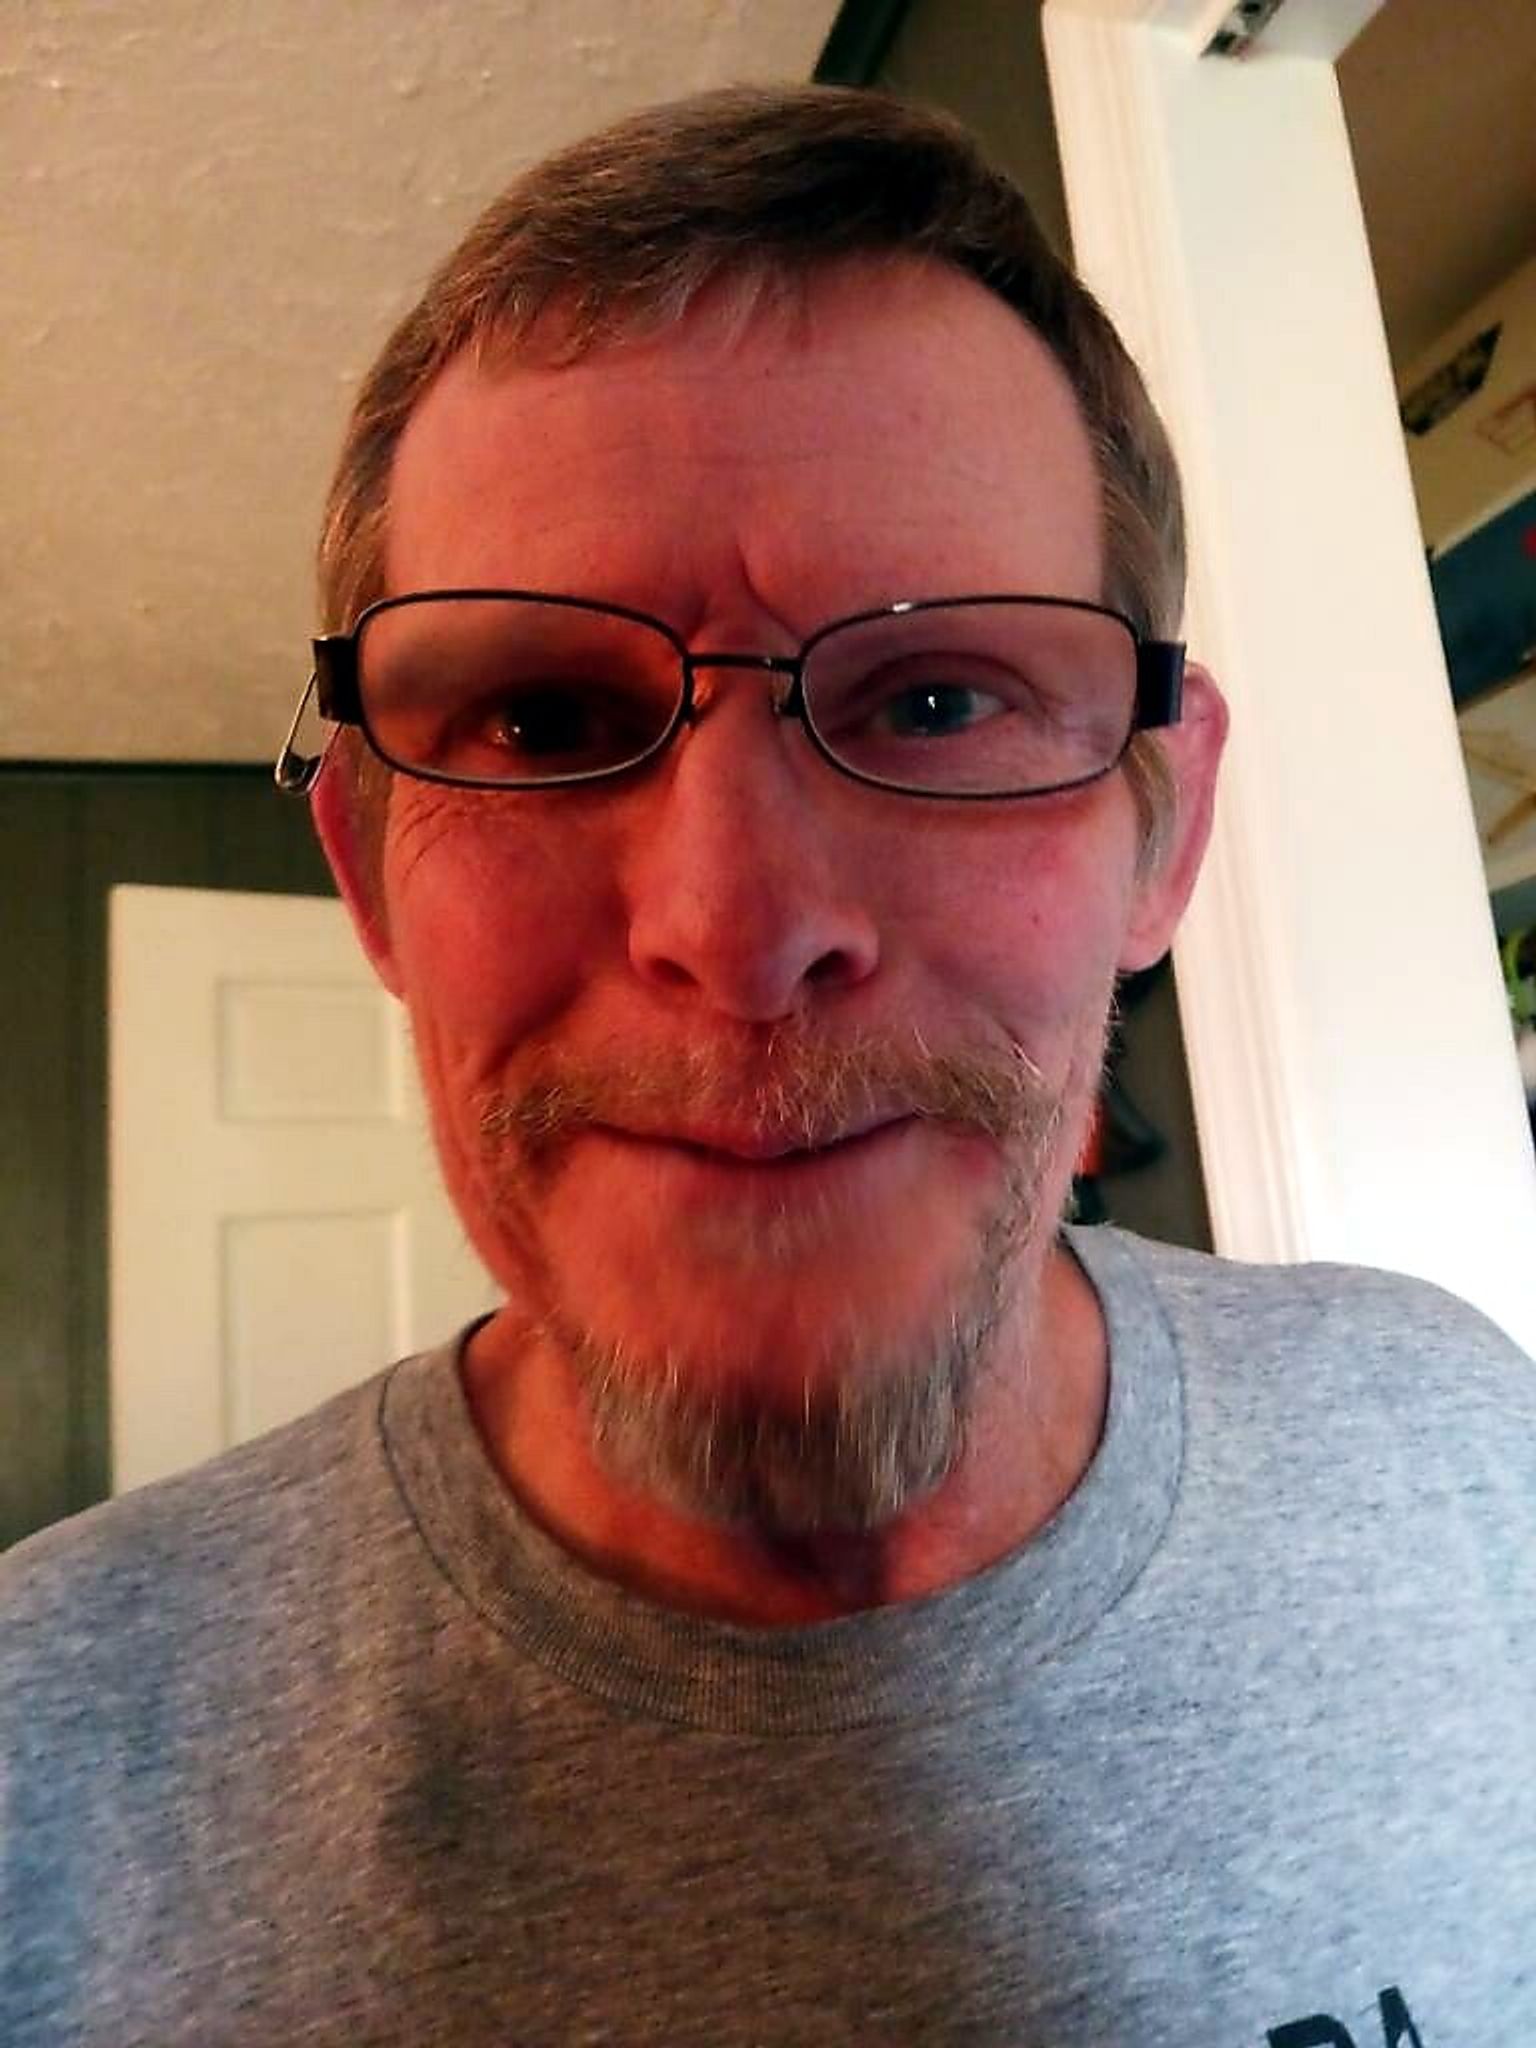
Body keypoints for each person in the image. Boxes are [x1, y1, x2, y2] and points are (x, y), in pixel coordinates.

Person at [2, 83, 1532, 2048]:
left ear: (1163, 829)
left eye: (942, 696)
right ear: (370, 879)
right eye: (544, 721)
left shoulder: (1463, 1447)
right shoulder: (48, 1769)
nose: (736, 924)